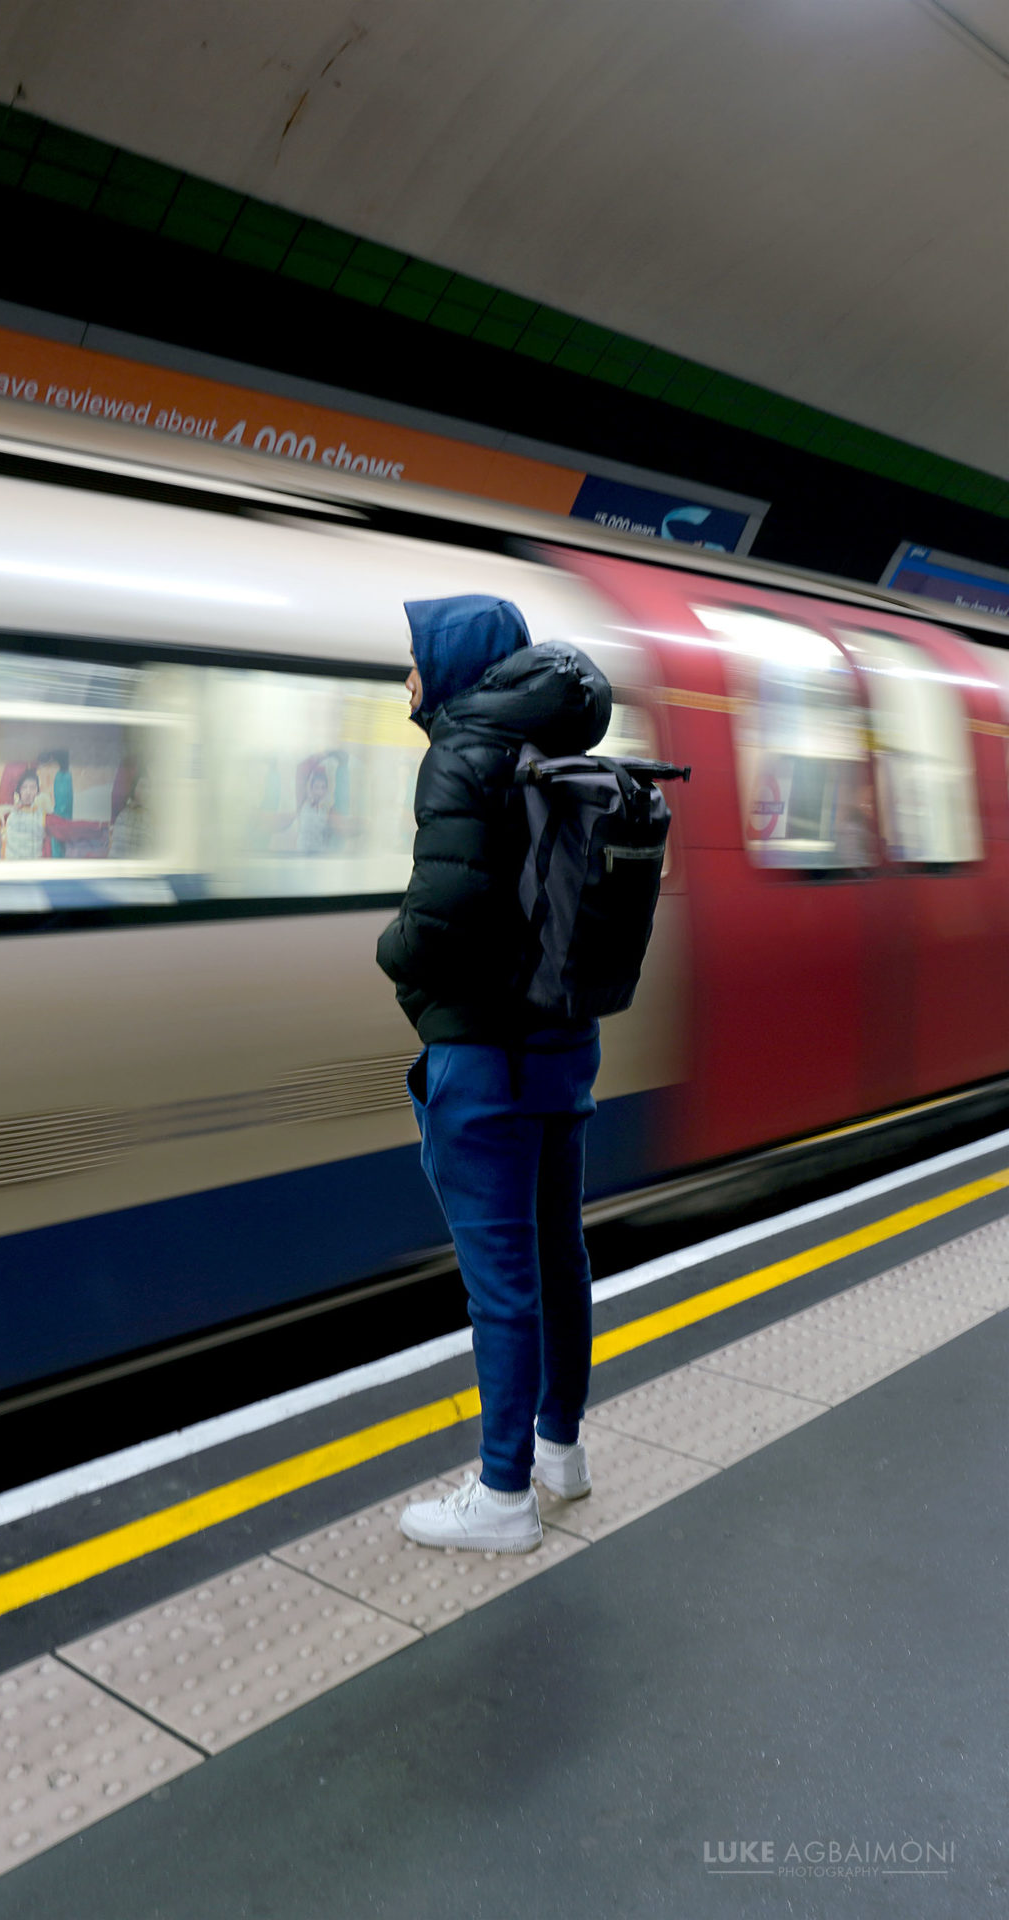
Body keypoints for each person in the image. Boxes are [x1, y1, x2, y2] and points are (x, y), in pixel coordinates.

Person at [376, 594, 612, 1555]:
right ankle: (560, 1451)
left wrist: (389, 954)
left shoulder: (462, 755)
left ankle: (504, 1496)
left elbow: (439, 914)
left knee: (499, 1284)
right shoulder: (558, 745)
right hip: (561, 1049)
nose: (407, 676)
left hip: (483, 1059)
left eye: (415, 657)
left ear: (455, 662)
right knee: (560, 1257)